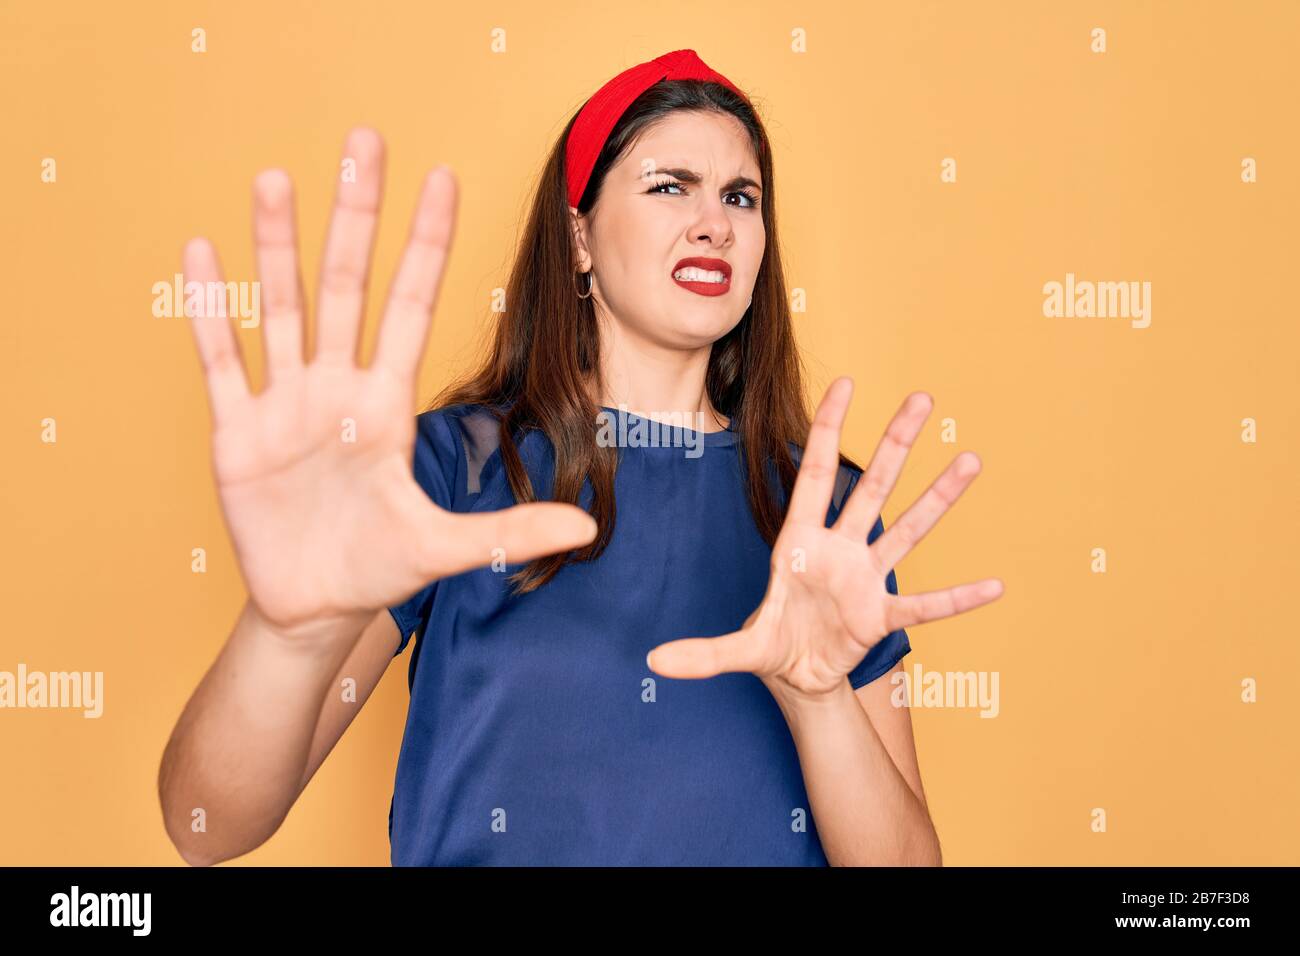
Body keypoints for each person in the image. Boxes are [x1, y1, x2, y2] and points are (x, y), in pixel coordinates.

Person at [158, 49, 1003, 867]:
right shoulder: (453, 468)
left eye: (741, 197)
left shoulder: (822, 511)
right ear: (580, 238)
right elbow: (208, 828)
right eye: (670, 186)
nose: (715, 223)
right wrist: (286, 635)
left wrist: (820, 700)